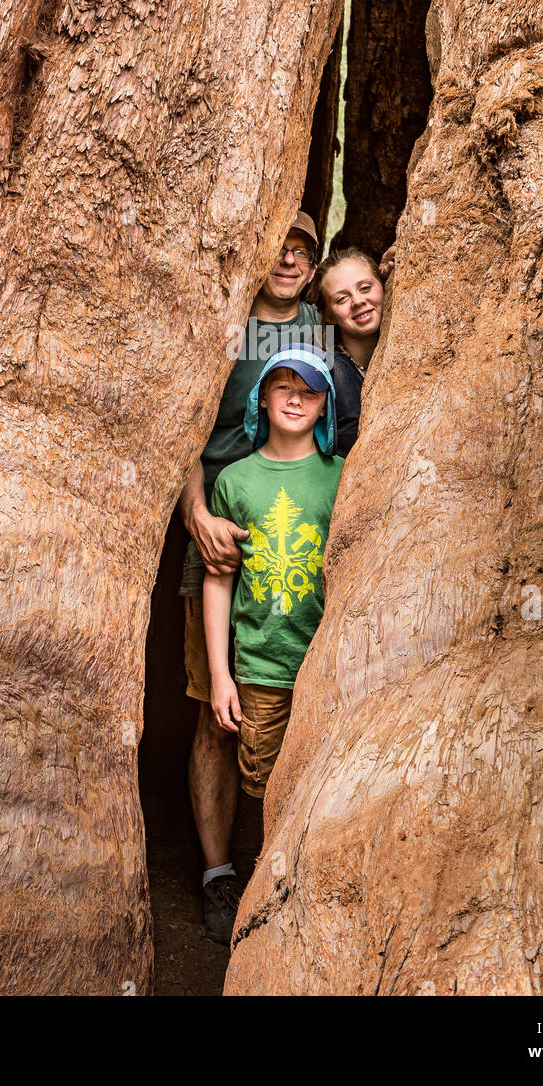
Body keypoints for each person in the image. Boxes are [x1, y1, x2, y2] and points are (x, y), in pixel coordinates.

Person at [176, 211, 324, 943]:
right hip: (216, 528)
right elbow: (171, 428)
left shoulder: (321, 333)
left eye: (304, 249)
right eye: (279, 246)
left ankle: (282, 870)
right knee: (214, 704)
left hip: (296, 540)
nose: (289, 259)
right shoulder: (221, 323)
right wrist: (196, 512)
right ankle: (215, 874)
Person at [203, 348, 343, 821]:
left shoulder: (344, 475)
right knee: (263, 792)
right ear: (262, 397)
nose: (296, 398)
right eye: (283, 386)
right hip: (262, 669)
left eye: (309, 391)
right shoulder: (234, 480)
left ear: (326, 405)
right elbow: (219, 581)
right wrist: (221, 676)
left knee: (324, 787)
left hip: (329, 668)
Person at [313, 247, 385, 455]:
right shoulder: (327, 374)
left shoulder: (415, 353)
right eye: (341, 299)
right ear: (328, 315)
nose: (358, 301)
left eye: (365, 288)